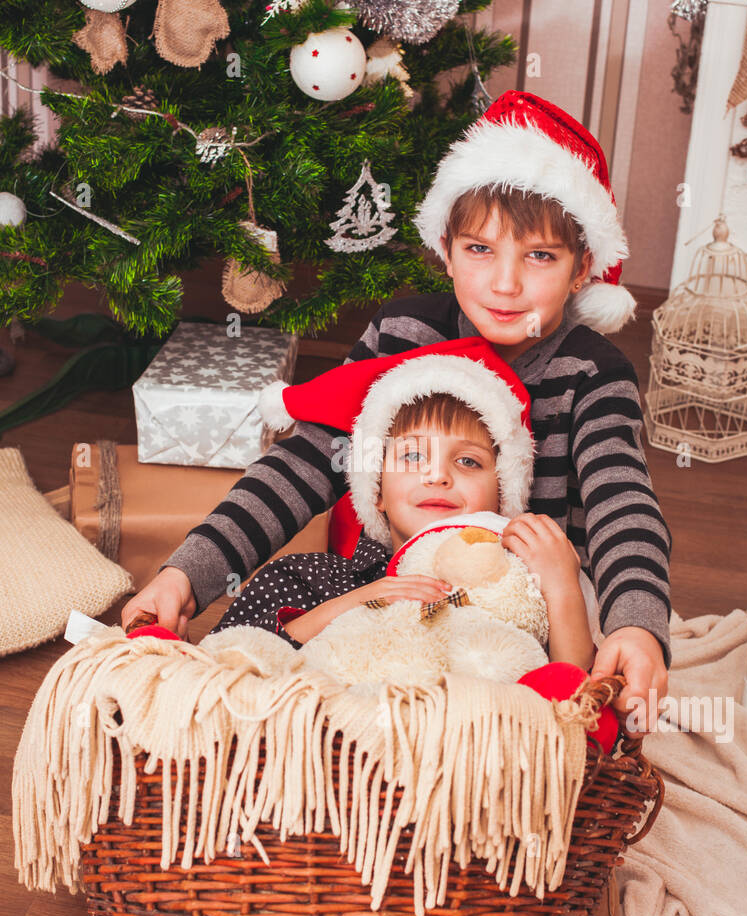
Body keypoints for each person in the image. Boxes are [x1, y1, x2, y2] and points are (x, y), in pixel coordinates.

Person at [121, 89, 672, 728]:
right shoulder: (403, 331)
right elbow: (306, 463)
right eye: (480, 249)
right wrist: (186, 575)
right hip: (387, 587)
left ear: (582, 269)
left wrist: (637, 626)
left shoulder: (594, 373)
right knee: (290, 640)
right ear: (446, 247)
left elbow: (623, 504)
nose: (505, 284)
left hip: (523, 612)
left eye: (540, 256)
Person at [208, 337, 596, 671]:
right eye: (412, 456)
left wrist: (562, 586)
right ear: (376, 488)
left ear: (501, 495)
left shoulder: (519, 586)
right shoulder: (309, 577)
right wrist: (357, 602)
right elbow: (223, 663)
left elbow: (571, 696)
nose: (438, 476)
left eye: (467, 461)